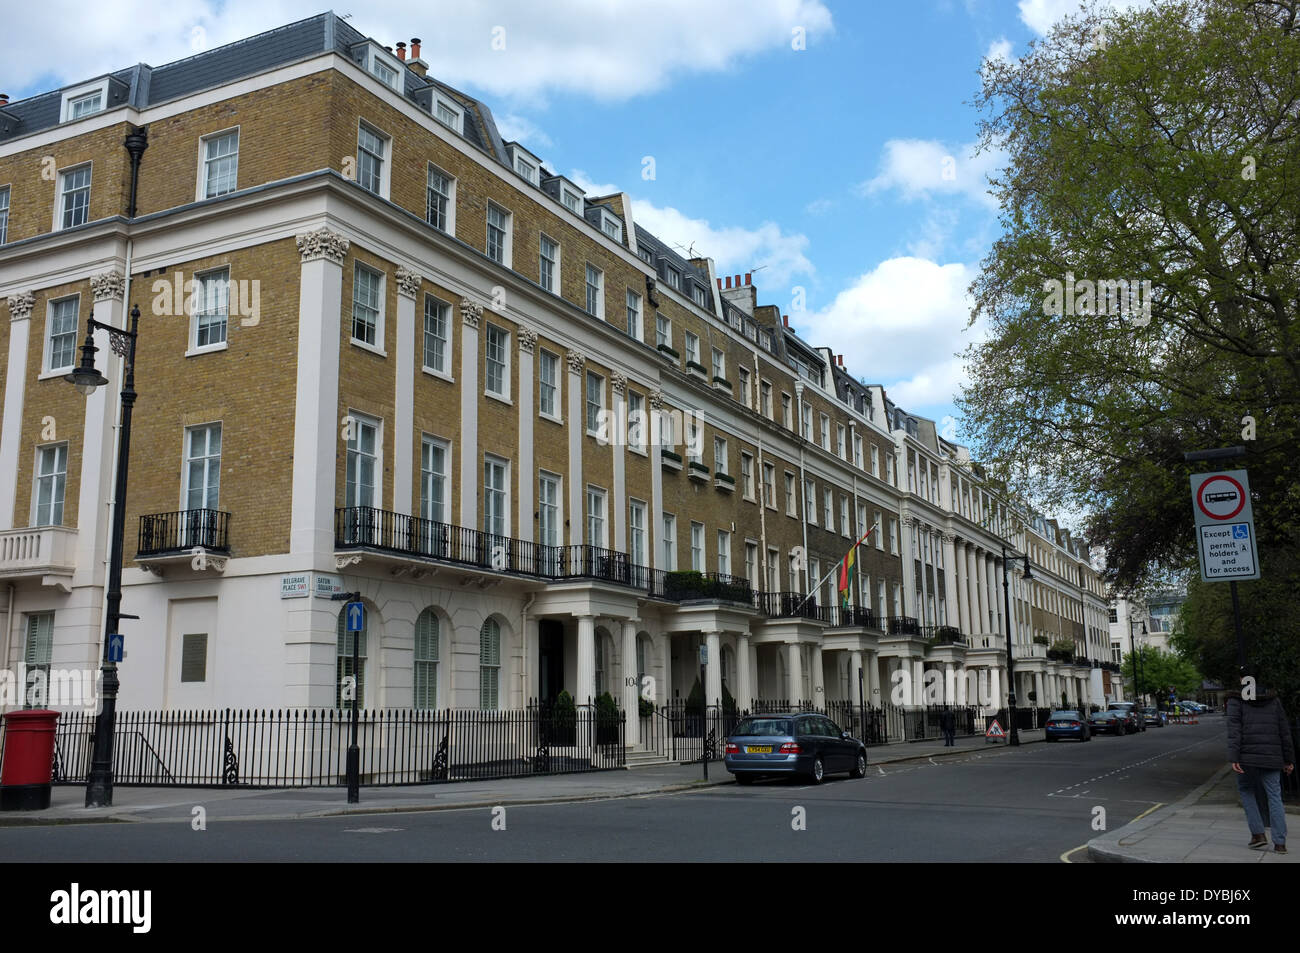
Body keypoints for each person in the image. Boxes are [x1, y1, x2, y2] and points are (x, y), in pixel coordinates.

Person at [1227, 685, 1295, 853]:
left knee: (1246, 790)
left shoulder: (1236, 701)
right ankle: (1280, 843)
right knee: (1274, 796)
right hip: (1272, 756)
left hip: (1246, 758)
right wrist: (1288, 759)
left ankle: (1258, 834)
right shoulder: (1273, 701)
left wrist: (1234, 757)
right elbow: (1284, 730)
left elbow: (1234, 730)